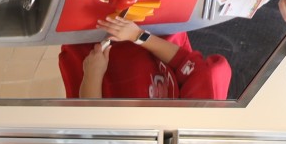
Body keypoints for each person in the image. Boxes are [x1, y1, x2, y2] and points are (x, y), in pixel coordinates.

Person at [59, 16, 230, 100]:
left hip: (96, 60)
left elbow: (89, 123)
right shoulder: (206, 99)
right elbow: (182, 61)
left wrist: (92, 75)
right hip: (152, 34)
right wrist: (138, 35)